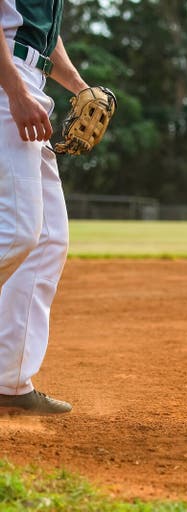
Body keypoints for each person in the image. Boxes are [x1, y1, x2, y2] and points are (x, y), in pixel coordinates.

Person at [0, 1, 92, 415]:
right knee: (19, 231)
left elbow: (43, 36)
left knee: (49, 239)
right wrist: (15, 92)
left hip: (29, 81)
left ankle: (9, 380)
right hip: (8, 82)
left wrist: (78, 86)